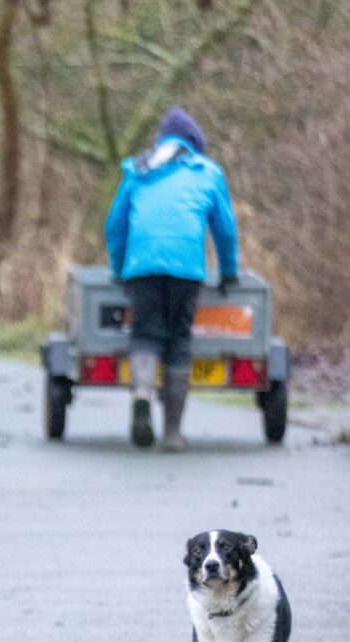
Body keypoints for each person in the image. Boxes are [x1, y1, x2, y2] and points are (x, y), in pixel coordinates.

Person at [103, 107, 240, 451]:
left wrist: (121, 268)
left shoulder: (137, 170)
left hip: (142, 265)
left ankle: (141, 396)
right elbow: (225, 230)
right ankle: (173, 433)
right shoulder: (207, 172)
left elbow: (115, 226)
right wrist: (228, 272)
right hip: (185, 268)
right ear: (194, 144)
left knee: (146, 334)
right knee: (178, 340)